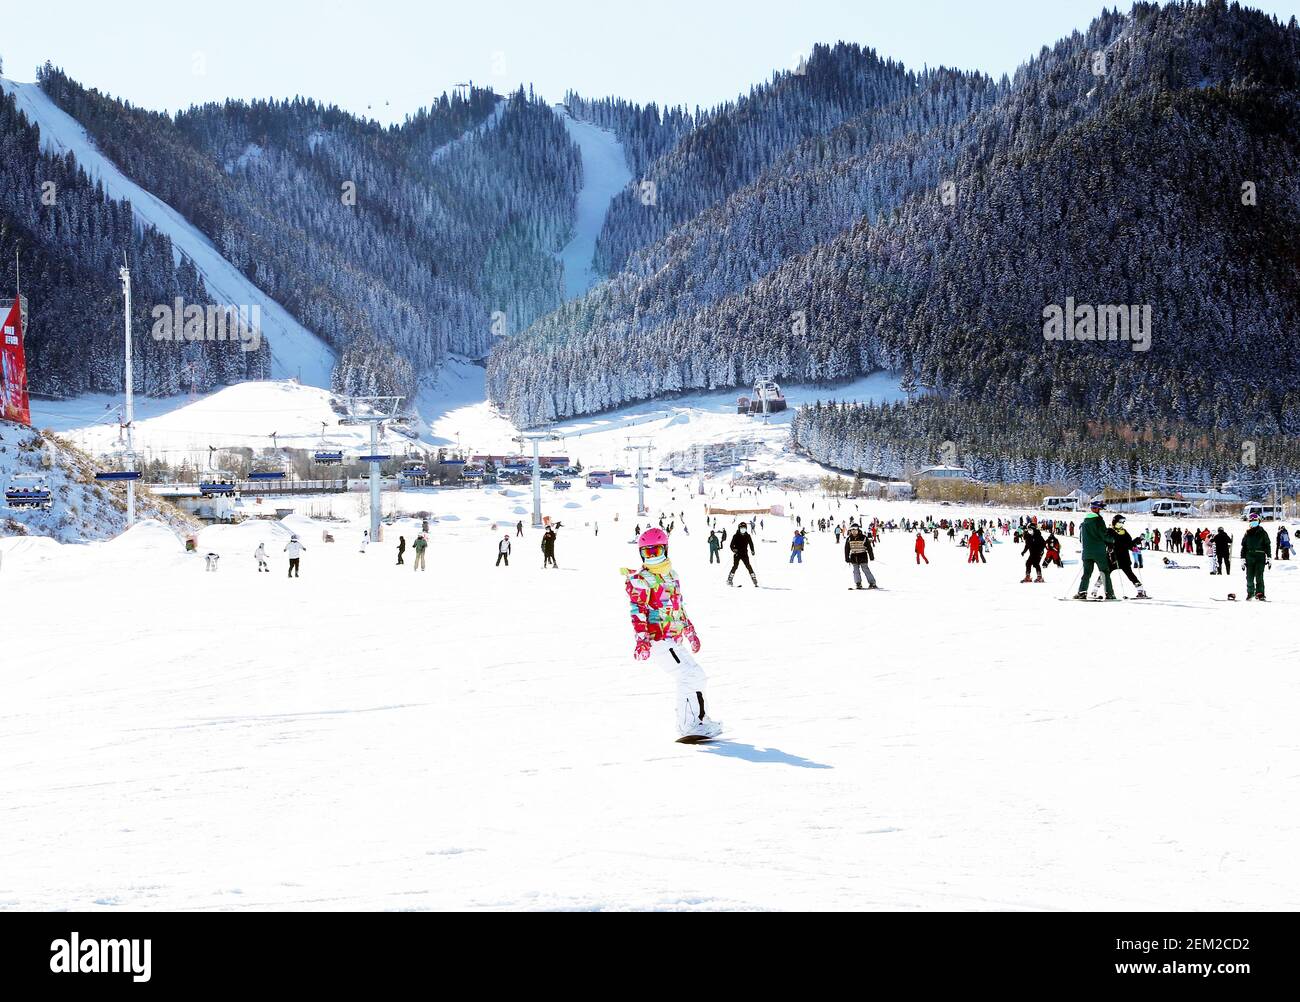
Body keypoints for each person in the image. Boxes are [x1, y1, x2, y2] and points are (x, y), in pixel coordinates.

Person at [624, 528, 721, 740]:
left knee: (697, 676)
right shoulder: (640, 579)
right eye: (647, 553)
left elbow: (678, 608)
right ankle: (689, 725)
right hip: (659, 640)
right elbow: (637, 612)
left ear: (665, 549)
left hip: (673, 640)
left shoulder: (671, 576)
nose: (653, 556)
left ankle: (700, 720)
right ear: (641, 554)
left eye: (656, 550)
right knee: (688, 675)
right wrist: (642, 641)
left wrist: (690, 631)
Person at [1075, 500, 1116, 600]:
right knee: (1104, 572)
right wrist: (1112, 539)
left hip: (1086, 552)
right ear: (1097, 509)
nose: (1100, 510)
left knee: (1086, 573)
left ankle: (1082, 592)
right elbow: (1104, 535)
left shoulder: (1084, 522)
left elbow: (1081, 538)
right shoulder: (1098, 520)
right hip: (1099, 552)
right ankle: (1109, 593)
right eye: (1099, 508)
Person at [1108, 514, 1147, 598]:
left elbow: (1129, 544)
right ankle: (1095, 590)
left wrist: (1136, 543)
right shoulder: (1110, 531)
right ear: (1115, 522)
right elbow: (1108, 542)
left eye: (1123, 522)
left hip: (1124, 558)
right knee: (1106, 573)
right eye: (1120, 522)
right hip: (1113, 558)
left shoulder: (1124, 532)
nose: (1122, 523)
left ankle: (1140, 590)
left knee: (1130, 574)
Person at [1241, 514, 1271, 601]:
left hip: (1260, 556)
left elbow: (1267, 545)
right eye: (1251, 522)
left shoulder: (1263, 533)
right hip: (1249, 557)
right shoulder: (1247, 534)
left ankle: (1260, 593)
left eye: (1255, 522)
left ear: (1258, 522)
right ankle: (1250, 593)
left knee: (1259, 576)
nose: (1253, 523)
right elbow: (1244, 547)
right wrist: (1242, 559)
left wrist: (1269, 557)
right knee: (1249, 577)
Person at [843, 522, 878, 589]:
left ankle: (872, 583)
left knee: (865, 569)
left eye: (855, 530)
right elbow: (846, 549)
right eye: (852, 530)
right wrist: (847, 558)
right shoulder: (849, 539)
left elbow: (869, 547)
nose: (854, 532)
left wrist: (871, 556)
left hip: (862, 556)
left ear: (858, 530)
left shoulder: (863, 538)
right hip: (853, 557)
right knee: (856, 571)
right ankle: (858, 583)